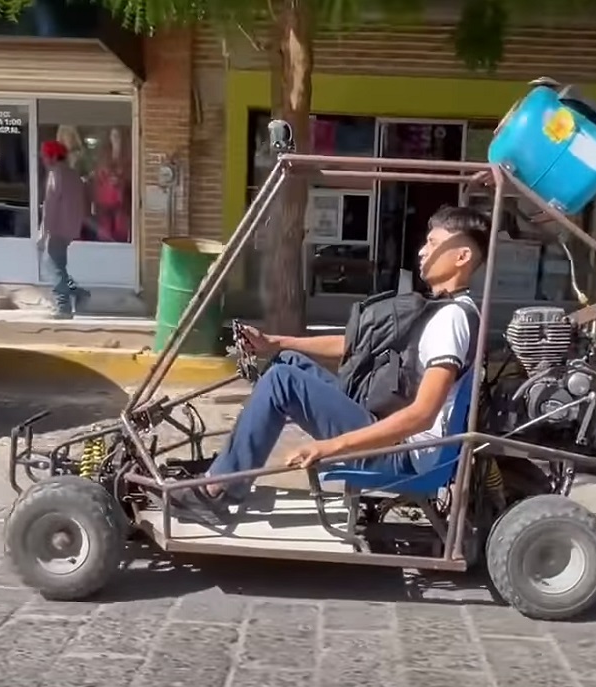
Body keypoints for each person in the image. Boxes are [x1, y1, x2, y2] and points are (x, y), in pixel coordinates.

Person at [168, 205, 489, 523]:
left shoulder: (450, 319)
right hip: (393, 435)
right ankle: (230, 463)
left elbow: (422, 414)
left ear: (461, 256)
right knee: (287, 361)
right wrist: (275, 343)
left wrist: (330, 447)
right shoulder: (444, 309)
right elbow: (356, 347)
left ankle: (218, 489)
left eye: (433, 243)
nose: (422, 251)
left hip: (401, 456)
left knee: (282, 381)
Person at [38, 140, 90, 319]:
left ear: (53, 157)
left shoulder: (56, 174)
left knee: (52, 267)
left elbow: (50, 206)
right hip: (70, 228)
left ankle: (64, 306)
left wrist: (44, 232)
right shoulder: (73, 174)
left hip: (57, 228)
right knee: (59, 266)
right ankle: (78, 293)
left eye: (45, 156)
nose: (43, 159)